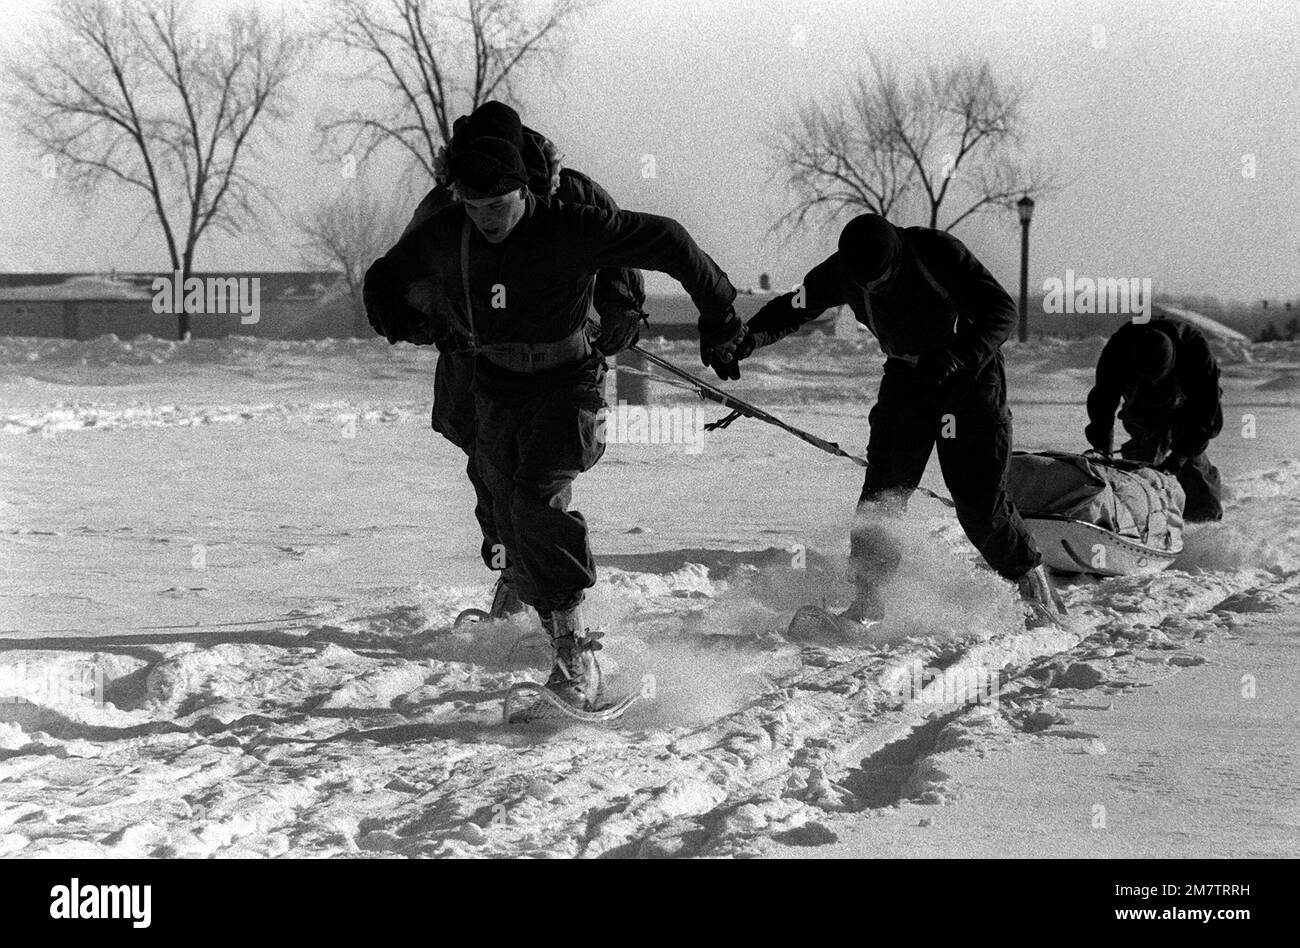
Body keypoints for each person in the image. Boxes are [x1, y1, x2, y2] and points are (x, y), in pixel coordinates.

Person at [363, 102, 744, 711]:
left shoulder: (570, 209)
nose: (485, 217)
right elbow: (386, 281)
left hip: (568, 377)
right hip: (487, 376)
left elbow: (659, 242)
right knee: (501, 492)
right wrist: (426, 326)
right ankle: (519, 578)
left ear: (525, 179)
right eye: (473, 204)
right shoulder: (446, 215)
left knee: (537, 494)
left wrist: (700, 315)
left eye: (497, 204)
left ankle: (575, 649)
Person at [726, 212, 1066, 629]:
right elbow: (795, 306)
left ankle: (1036, 594)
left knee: (978, 507)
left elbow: (1001, 312)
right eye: (863, 284)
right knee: (881, 498)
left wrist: (955, 356)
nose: (870, 289)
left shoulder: (937, 253)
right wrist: (747, 340)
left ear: (897, 259)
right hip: (907, 382)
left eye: (879, 281)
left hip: (969, 380)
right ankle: (869, 602)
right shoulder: (845, 269)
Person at [393, 103, 648, 620]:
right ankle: (514, 567)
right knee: (492, 476)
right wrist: (437, 320)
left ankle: (558, 610)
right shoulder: (447, 205)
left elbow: (619, 256)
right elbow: (406, 277)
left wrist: (619, 311)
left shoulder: (574, 193)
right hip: (475, 360)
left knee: (540, 477)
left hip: (563, 358)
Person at [1084, 319, 1224, 522]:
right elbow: (1103, 401)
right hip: (1141, 407)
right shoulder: (1119, 350)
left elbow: (1205, 418)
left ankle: (1200, 521)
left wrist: (1180, 457)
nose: (1154, 383)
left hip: (1187, 408)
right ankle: (1134, 519)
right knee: (1140, 470)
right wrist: (1102, 447)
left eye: (1157, 379)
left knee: (1193, 472)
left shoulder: (1196, 352)